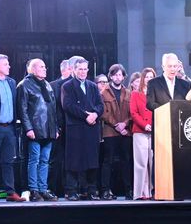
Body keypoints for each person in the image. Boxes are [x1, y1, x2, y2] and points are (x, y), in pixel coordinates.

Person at [59, 56, 104, 200]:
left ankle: (91, 190)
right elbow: (68, 105)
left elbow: (100, 104)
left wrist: (95, 114)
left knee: (92, 159)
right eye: (80, 69)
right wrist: (86, 116)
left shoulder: (92, 86)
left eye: (85, 69)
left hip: (91, 128)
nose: (83, 72)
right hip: (76, 127)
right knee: (74, 160)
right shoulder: (67, 86)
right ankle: (71, 191)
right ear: (73, 70)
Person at [16, 58, 58, 201]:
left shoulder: (47, 84)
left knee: (45, 160)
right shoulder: (24, 85)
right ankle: (33, 190)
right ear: (33, 69)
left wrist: (55, 128)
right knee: (34, 160)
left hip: (49, 129)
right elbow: (22, 109)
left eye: (45, 66)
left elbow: (53, 108)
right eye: (41, 67)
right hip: (35, 129)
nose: (45, 69)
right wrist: (28, 128)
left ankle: (43, 189)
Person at [0, 54, 23, 201]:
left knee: (8, 161)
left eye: (8, 64)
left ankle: (10, 192)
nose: (9, 66)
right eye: (5, 64)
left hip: (10, 128)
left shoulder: (12, 82)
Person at [99, 64, 133, 200]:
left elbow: (132, 112)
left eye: (120, 75)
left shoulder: (128, 93)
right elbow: (103, 112)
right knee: (108, 161)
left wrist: (124, 124)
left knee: (126, 161)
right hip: (110, 132)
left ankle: (128, 190)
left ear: (124, 77)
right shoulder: (103, 92)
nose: (118, 77)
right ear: (111, 76)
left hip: (125, 132)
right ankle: (105, 190)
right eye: (115, 75)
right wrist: (116, 125)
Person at [129, 67, 156, 200]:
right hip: (140, 131)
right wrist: (144, 125)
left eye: (151, 77)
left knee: (152, 162)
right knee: (141, 163)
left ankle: (151, 192)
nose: (149, 79)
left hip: (155, 131)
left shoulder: (156, 94)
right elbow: (134, 113)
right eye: (147, 77)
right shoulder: (135, 94)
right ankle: (139, 193)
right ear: (143, 79)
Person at [50, 58, 74, 196]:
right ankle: (54, 188)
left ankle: (70, 189)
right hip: (59, 127)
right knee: (56, 159)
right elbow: (52, 109)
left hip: (73, 127)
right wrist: (55, 127)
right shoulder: (52, 85)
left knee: (71, 159)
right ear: (65, 69)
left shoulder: (75, 85)